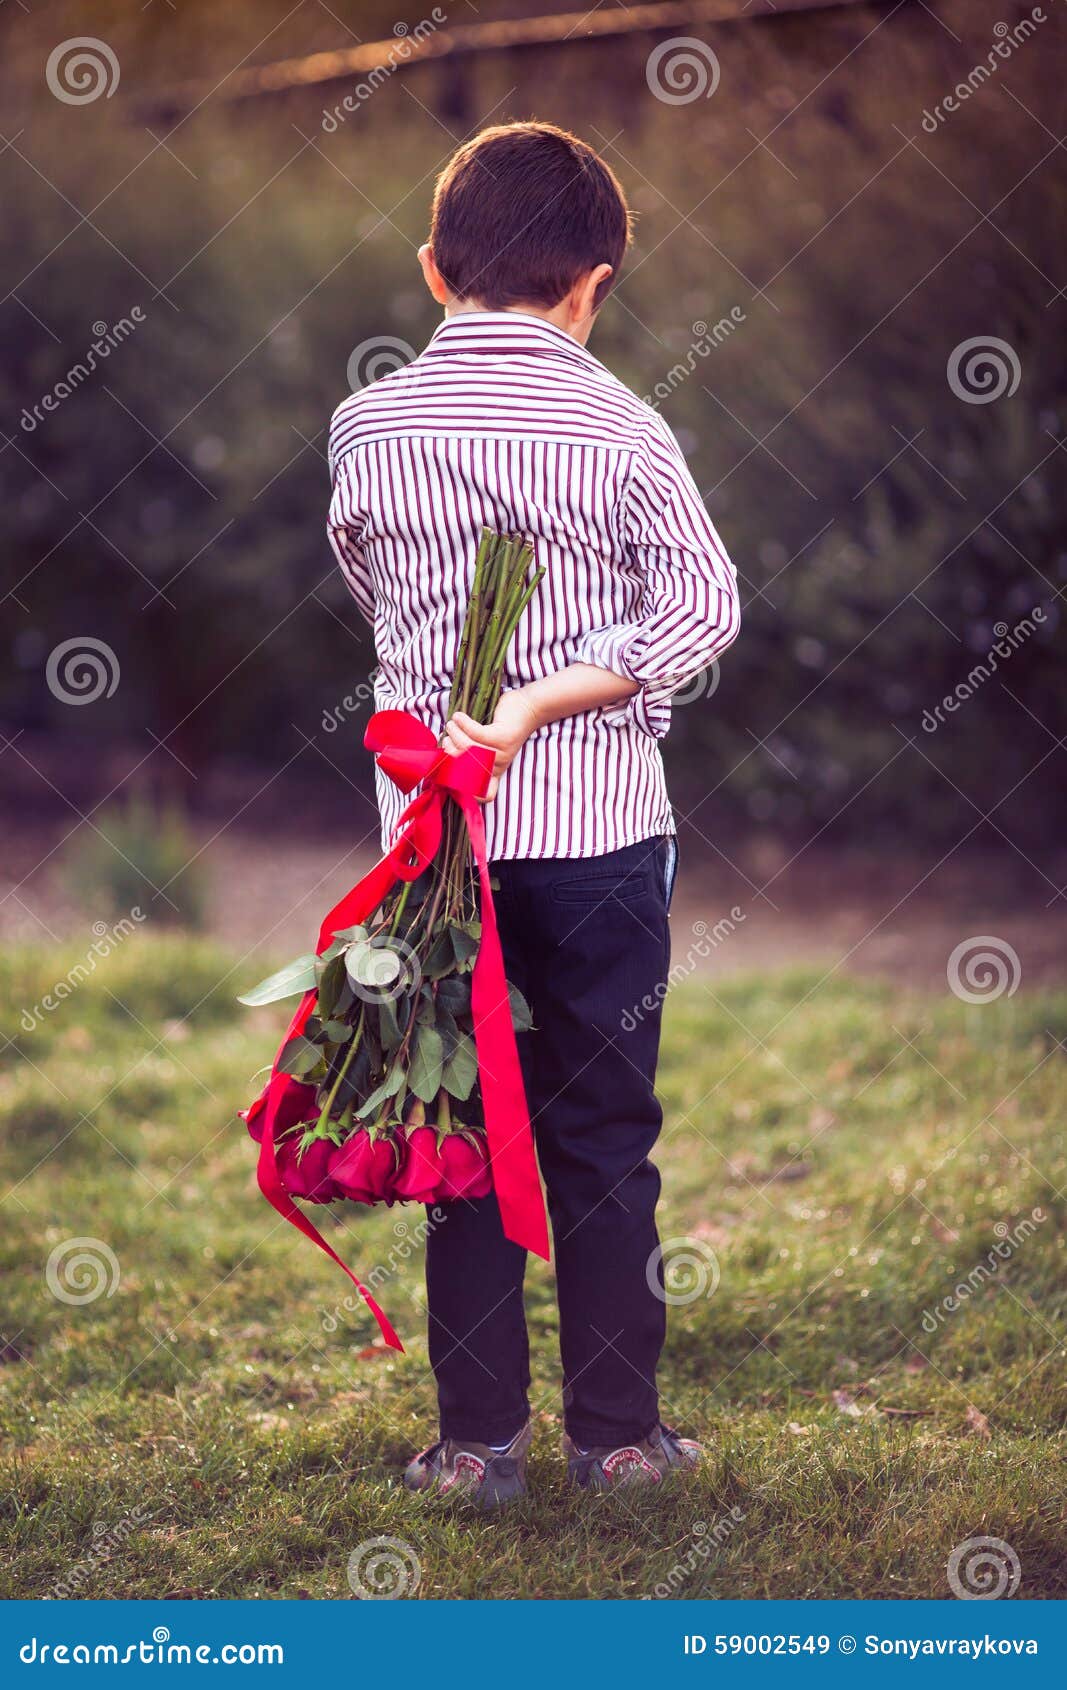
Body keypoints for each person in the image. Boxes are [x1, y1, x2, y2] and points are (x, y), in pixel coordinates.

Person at [328, 121, 740, 1509]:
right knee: (604, 1132)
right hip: (605, 843)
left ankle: (474, 1450)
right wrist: (567, 694)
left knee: (463, 1137)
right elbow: (703, 610)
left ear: (434, 269)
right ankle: (619, 1440)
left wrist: (473, 708)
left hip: (437, 852)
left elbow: (372, 583)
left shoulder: (368, 422)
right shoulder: (626, 424)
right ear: (594, 285)